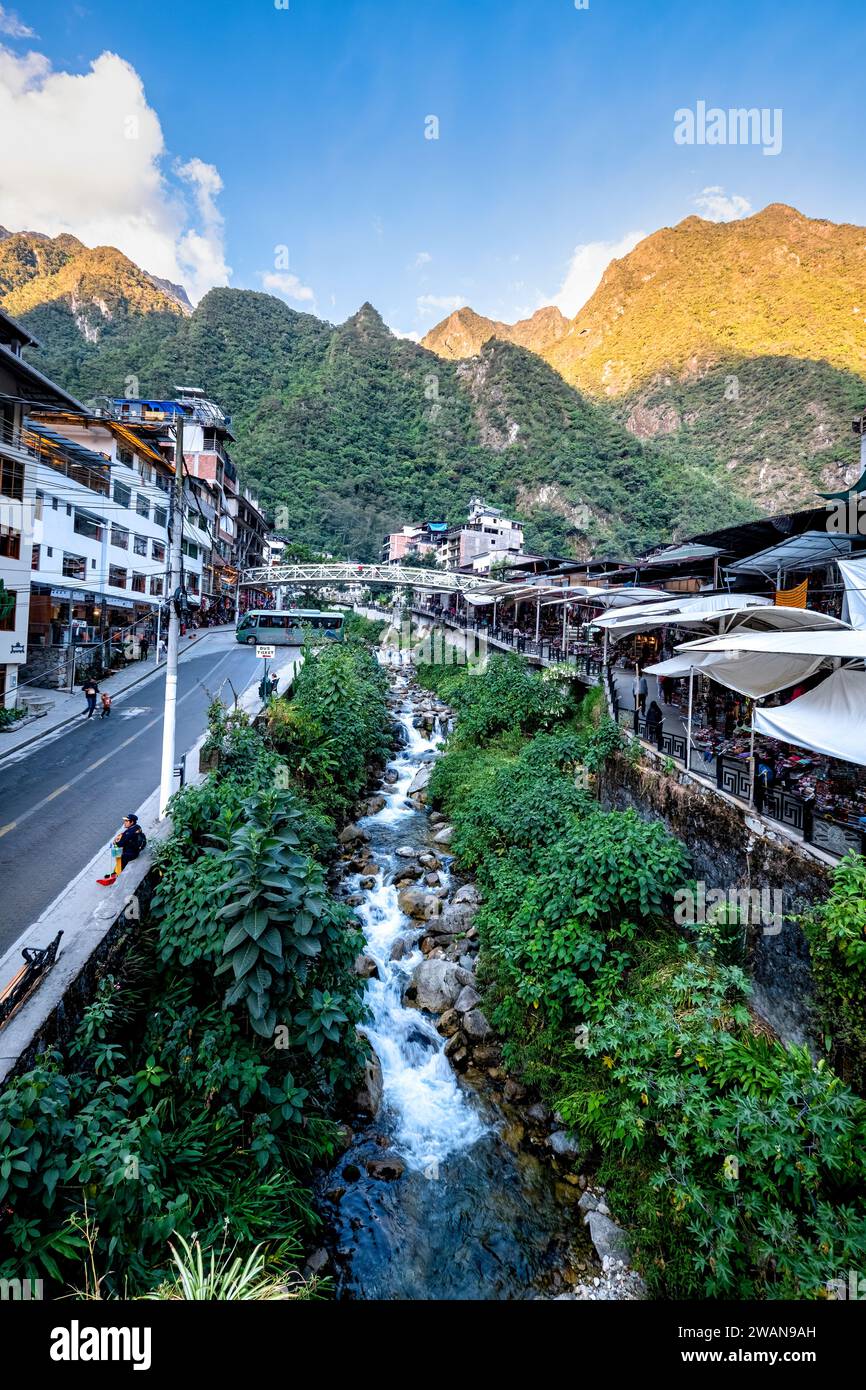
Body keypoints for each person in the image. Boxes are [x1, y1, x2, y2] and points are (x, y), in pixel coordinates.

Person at [97, 813, 147, 886]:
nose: (124, 822)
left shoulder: (128, 832)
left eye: (126, 821)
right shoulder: (137, 827)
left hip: (131, 853)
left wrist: (115, 841)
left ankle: (115, 875)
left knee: (120, 857)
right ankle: (115, 872)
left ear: (132, 822)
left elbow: (120, 843)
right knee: (119, 856)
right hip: (136, 850)